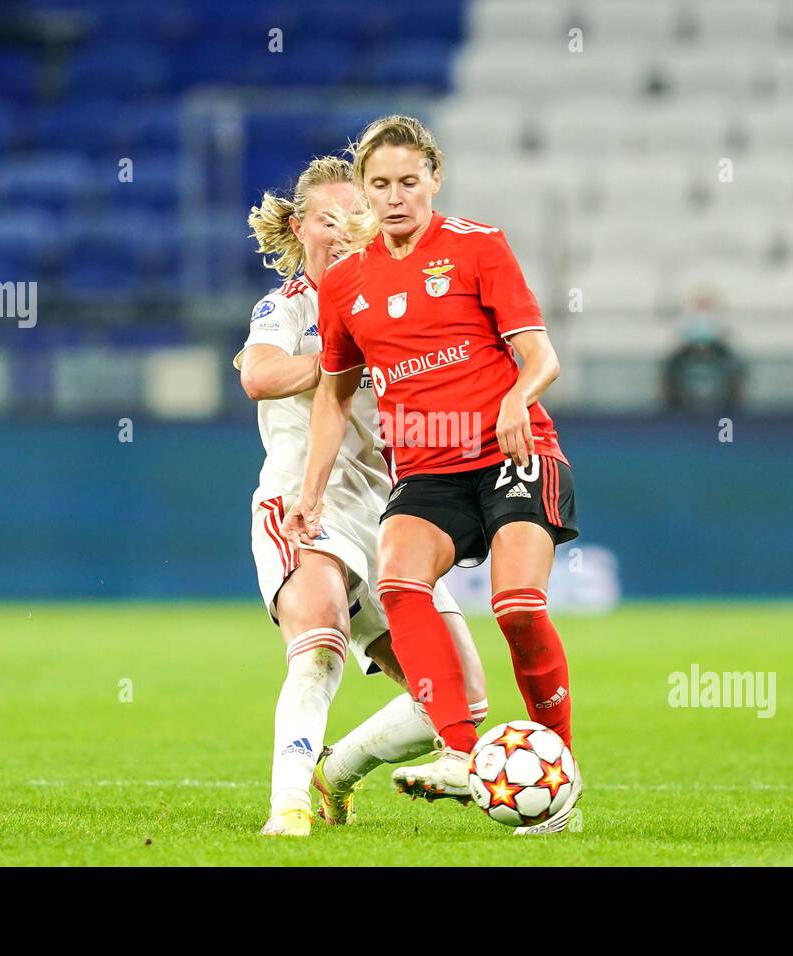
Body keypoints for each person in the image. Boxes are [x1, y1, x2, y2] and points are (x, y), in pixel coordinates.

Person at [283, 116, 583, 834]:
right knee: (398, 579)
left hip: (512, 455)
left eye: (408, 183)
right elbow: (334, 394)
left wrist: (517, 396)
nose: (394, 198)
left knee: (516, 608)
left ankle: (562, 773)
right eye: (379, 184)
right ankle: (458, 748)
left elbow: (541, 355)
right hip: (427, 471)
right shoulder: (347, 284)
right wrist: (311, 491)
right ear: (362, 190)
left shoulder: (478, 247)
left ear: (434, 180)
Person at [238, 156, 486, 837]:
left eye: (359, 219)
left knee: (460, 699)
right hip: (300, 502)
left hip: (391, 512)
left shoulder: (394, 303)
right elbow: (257, 375)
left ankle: (336, 769)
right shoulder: (287, 307)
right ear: (298, 227)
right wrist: (340, 359)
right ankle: (286, 808)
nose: (345, 233)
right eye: (329, 220)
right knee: (321, 642)